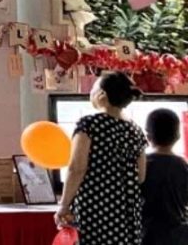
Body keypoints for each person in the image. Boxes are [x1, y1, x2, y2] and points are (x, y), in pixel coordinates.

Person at [55, 71, 147, 245]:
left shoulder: (90, 125)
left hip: (95, 210)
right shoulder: (136, 131)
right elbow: (141, 176)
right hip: (127, 213)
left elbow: (77, 168)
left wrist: (64, 204)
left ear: (101, 95)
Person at [142, 108, 188, 245]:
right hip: (177, 236)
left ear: (148, 137)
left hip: (146, 235)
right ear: (178, 136)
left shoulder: (141, 165)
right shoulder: (183, 166)